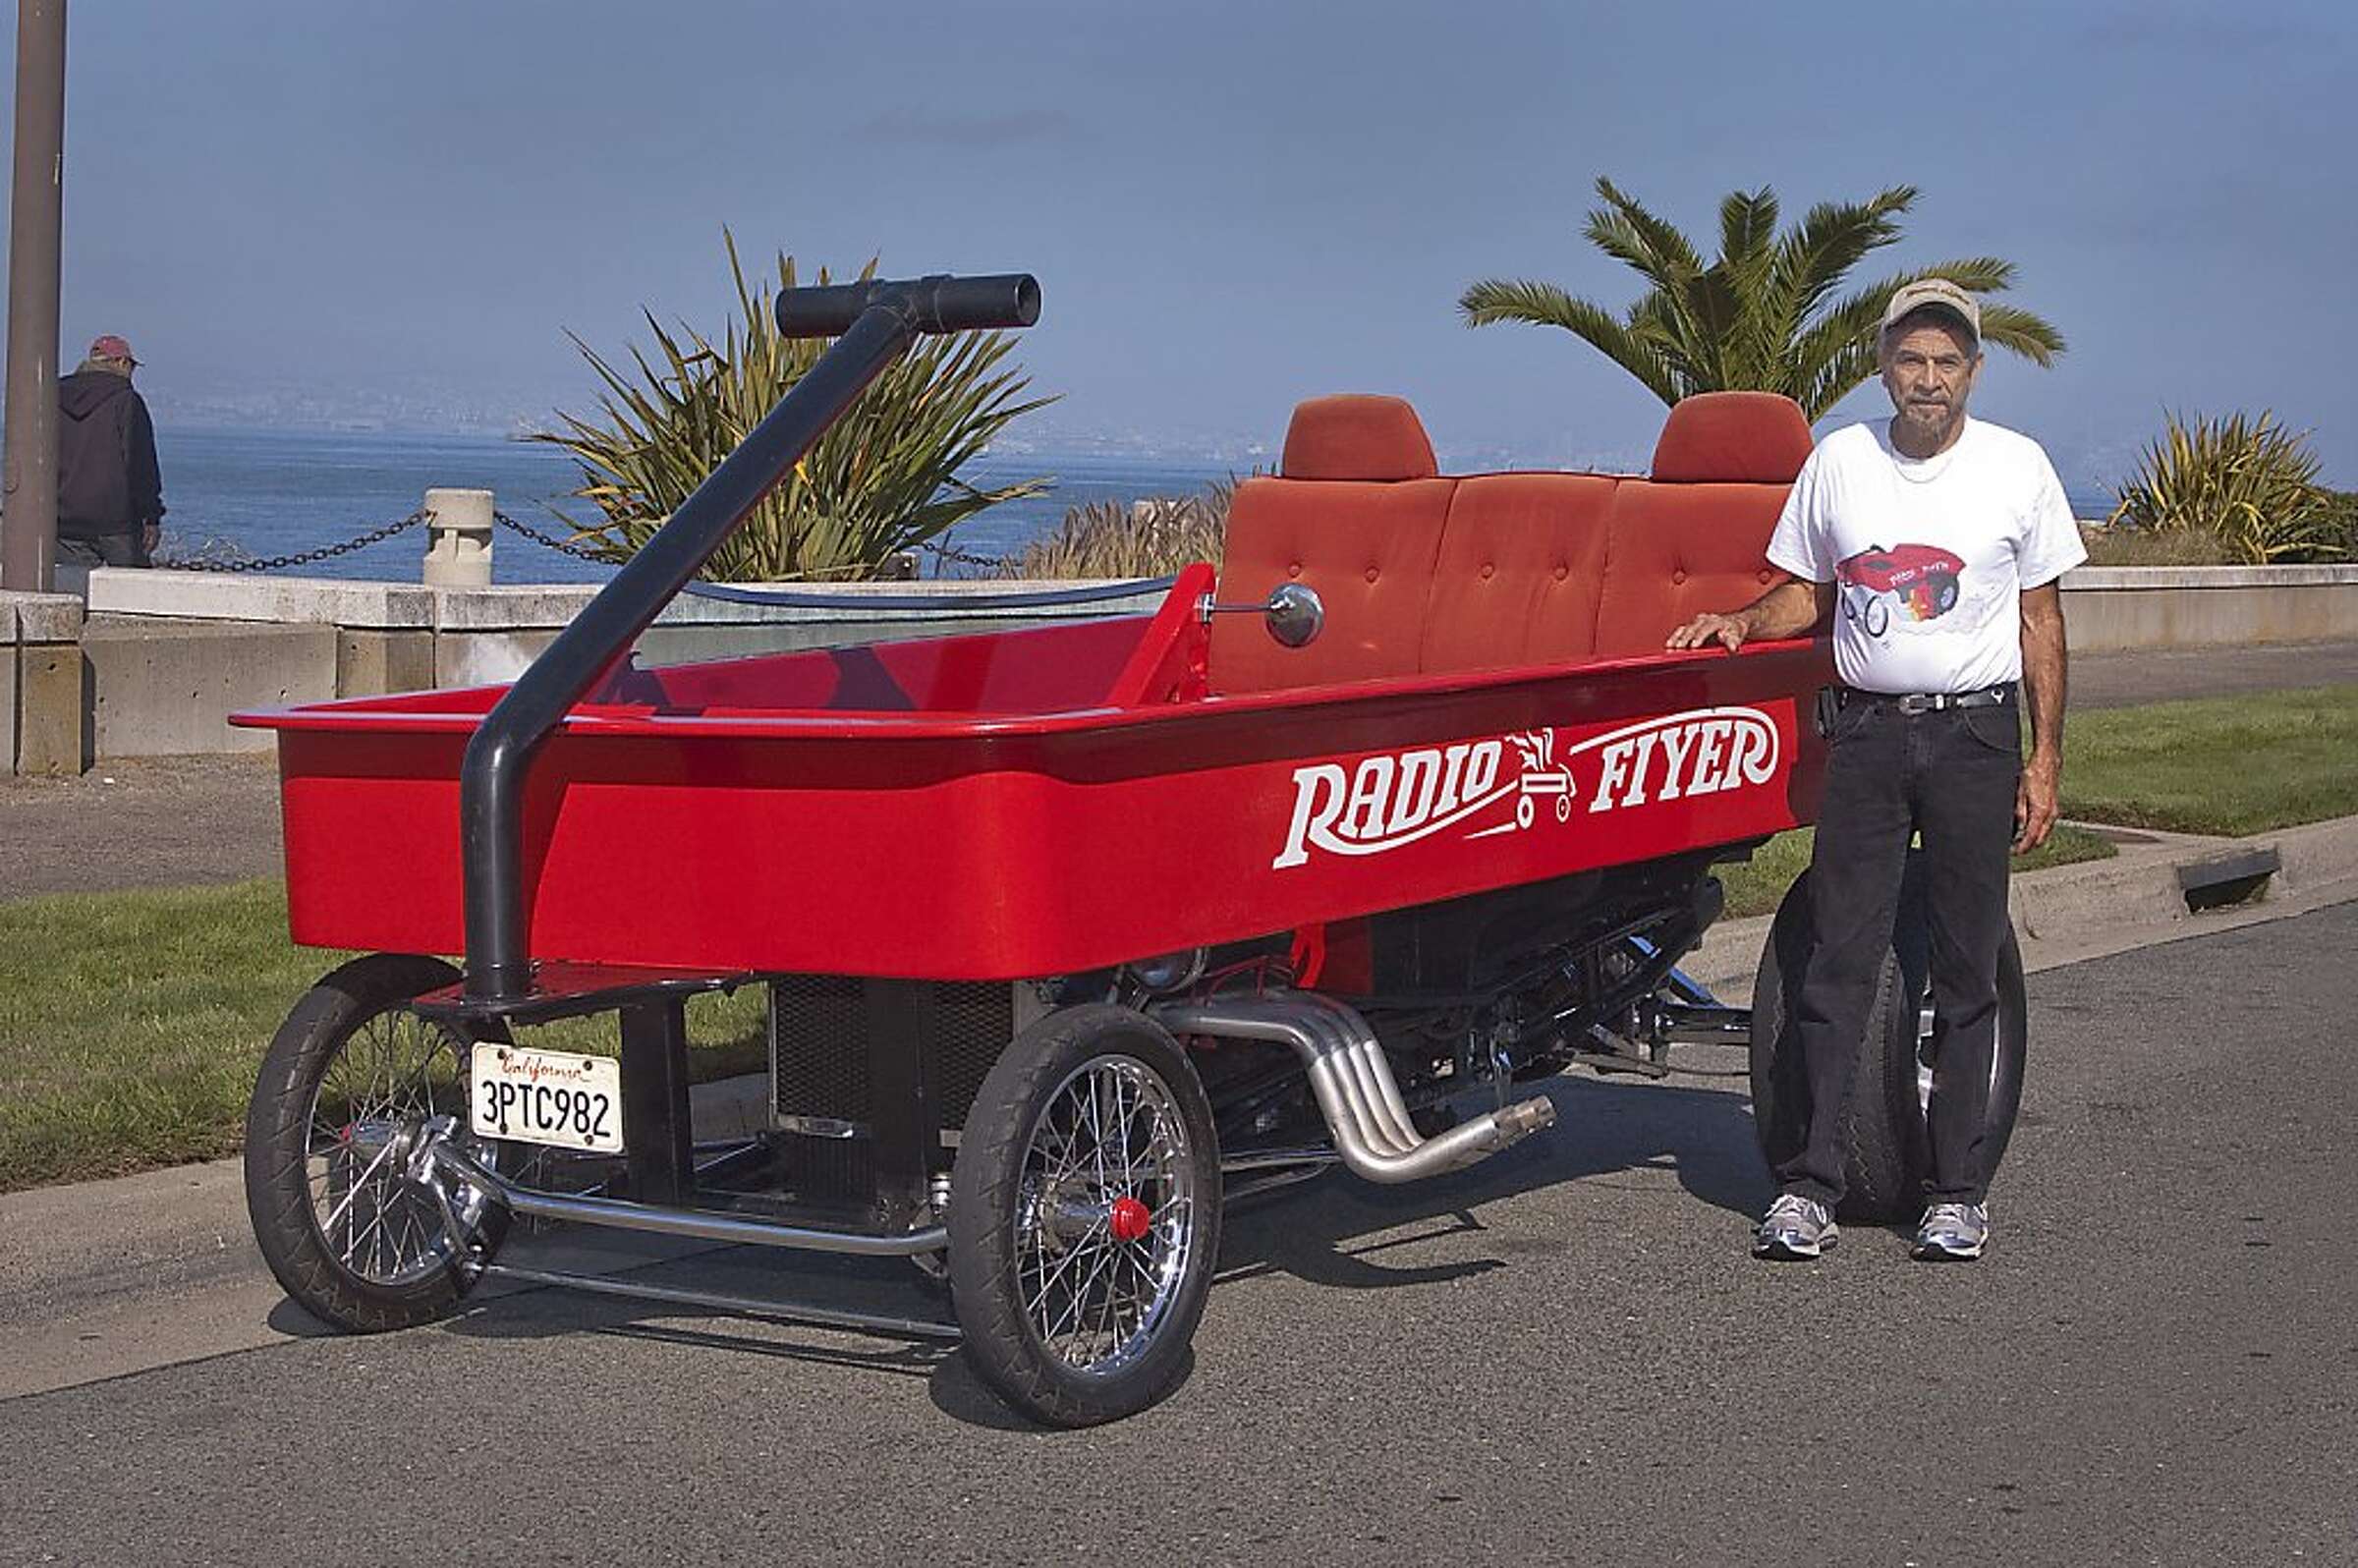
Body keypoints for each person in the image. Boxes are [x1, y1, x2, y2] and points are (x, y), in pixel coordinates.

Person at [1664, 277, 2085, 1263]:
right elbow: (1807, 591)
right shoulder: (1842, 462)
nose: (1927, 379)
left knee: (1965, 965)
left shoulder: (2018, 470)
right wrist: (1741, 620)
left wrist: (2047, 754)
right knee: (1837, 962)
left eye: (1946, 362)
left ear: (1972, 372)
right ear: (1884, 366)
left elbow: (2041, 621)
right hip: (1866, 739)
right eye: (1910, 359)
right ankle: (1811, 1185)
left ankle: (1957, 1191)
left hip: (1976, 738)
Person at [56, 332, 166, 574]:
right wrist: (151, 516)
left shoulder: (54, 396)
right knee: (132, 592)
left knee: (77, 590)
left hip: (63, 520)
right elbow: (140, 464)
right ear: (121, 363)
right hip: (117, 521)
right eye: (132, 366)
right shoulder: (126, 401)